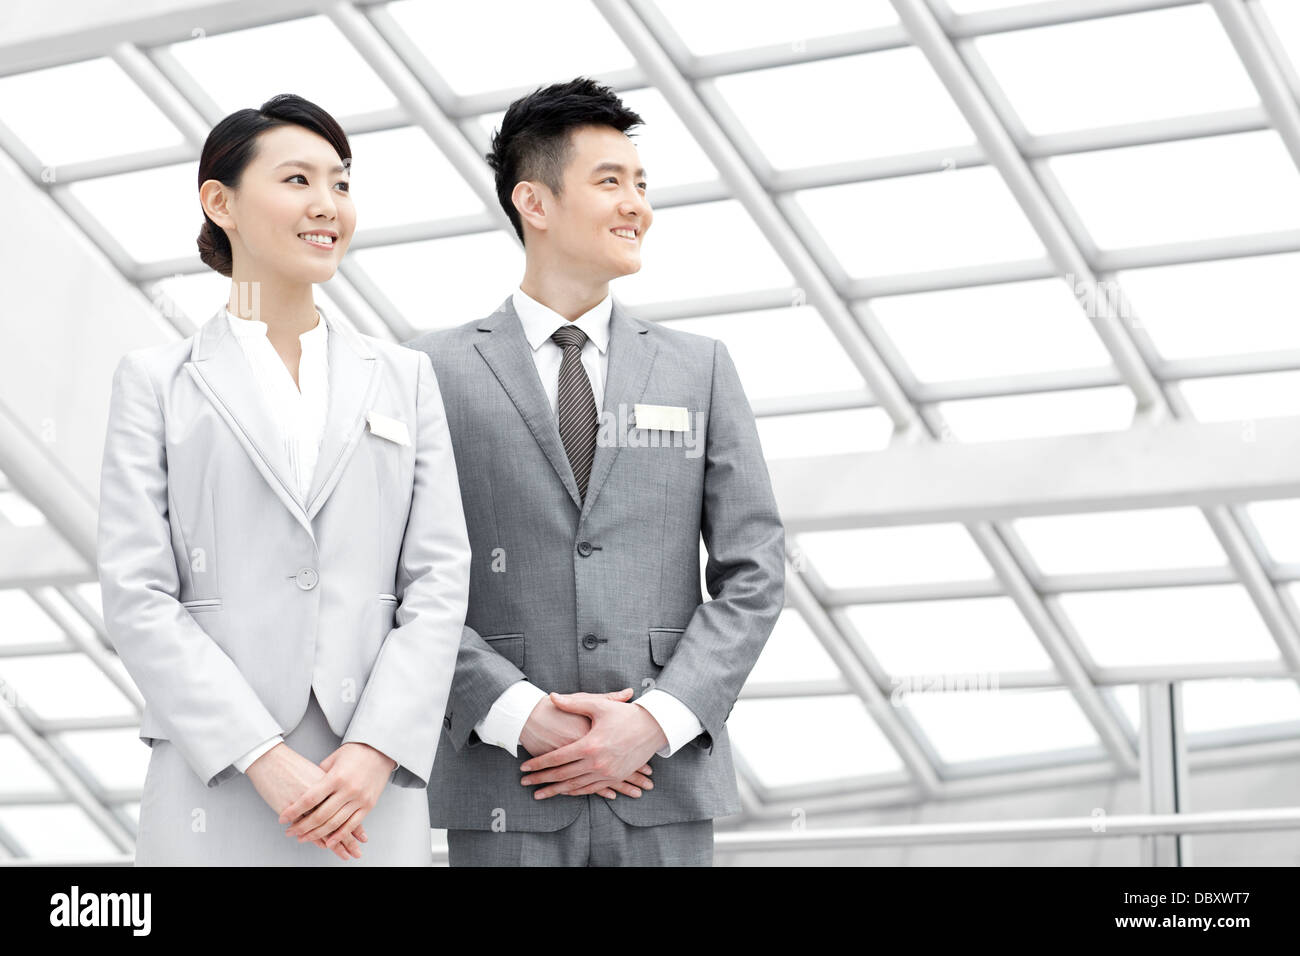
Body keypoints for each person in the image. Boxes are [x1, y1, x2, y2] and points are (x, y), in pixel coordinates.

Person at [405, 77, 785, 866]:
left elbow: (755, 571)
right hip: (507, 777)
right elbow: (399, 574)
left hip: (663, 778)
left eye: (641, 185)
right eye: (610, 182)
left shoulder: (700, 369)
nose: (636, 206)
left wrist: (658, 718)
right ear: (534, 204)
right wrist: (516, 711)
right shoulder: (428, 372)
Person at [96, 93, 471, 865]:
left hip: (366, 792)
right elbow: (137, 596)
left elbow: (439, 580)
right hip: (216, 778)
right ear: (220, 202)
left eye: (340, 182)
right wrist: (259, 754)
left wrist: (374, 749)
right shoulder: (155, 383)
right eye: (298, 180)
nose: (327, 205)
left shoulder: (404, 379)